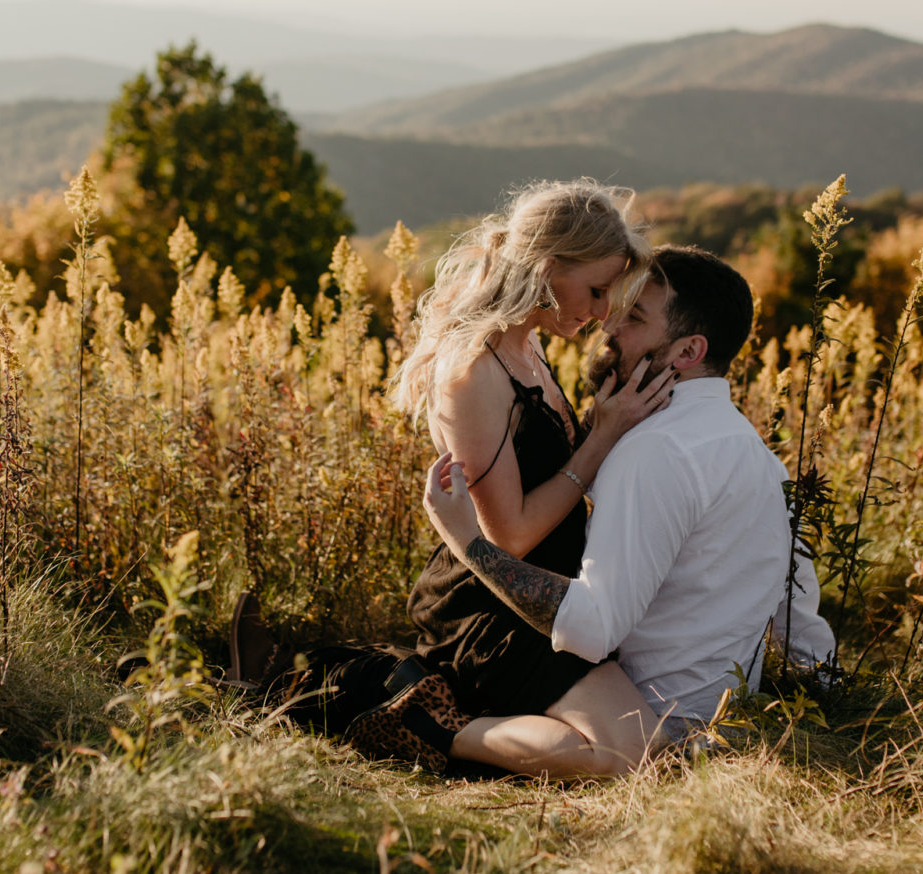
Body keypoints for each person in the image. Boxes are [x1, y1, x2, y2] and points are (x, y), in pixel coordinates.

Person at [228, 179, 676, 772]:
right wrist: (601, 437)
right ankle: (423, 721)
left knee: (650, 751)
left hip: (548, 600)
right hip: (492, 609)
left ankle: (387, 691)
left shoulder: (528, 349)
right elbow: (508, 535)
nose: (599, 313)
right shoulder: (474, 373)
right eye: (595, 290)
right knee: (626, 758)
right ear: (546, 267)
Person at [402, 245, 835, 774]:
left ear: (687, 351)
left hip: (653, 723)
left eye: (633, 318)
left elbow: (591, 629)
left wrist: (469, 544)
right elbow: (799, 609)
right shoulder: (761, 457)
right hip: (722, 723)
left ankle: (430, 728)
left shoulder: (653, 451)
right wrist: (826, 701)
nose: (608, 326)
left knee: (619, 753)